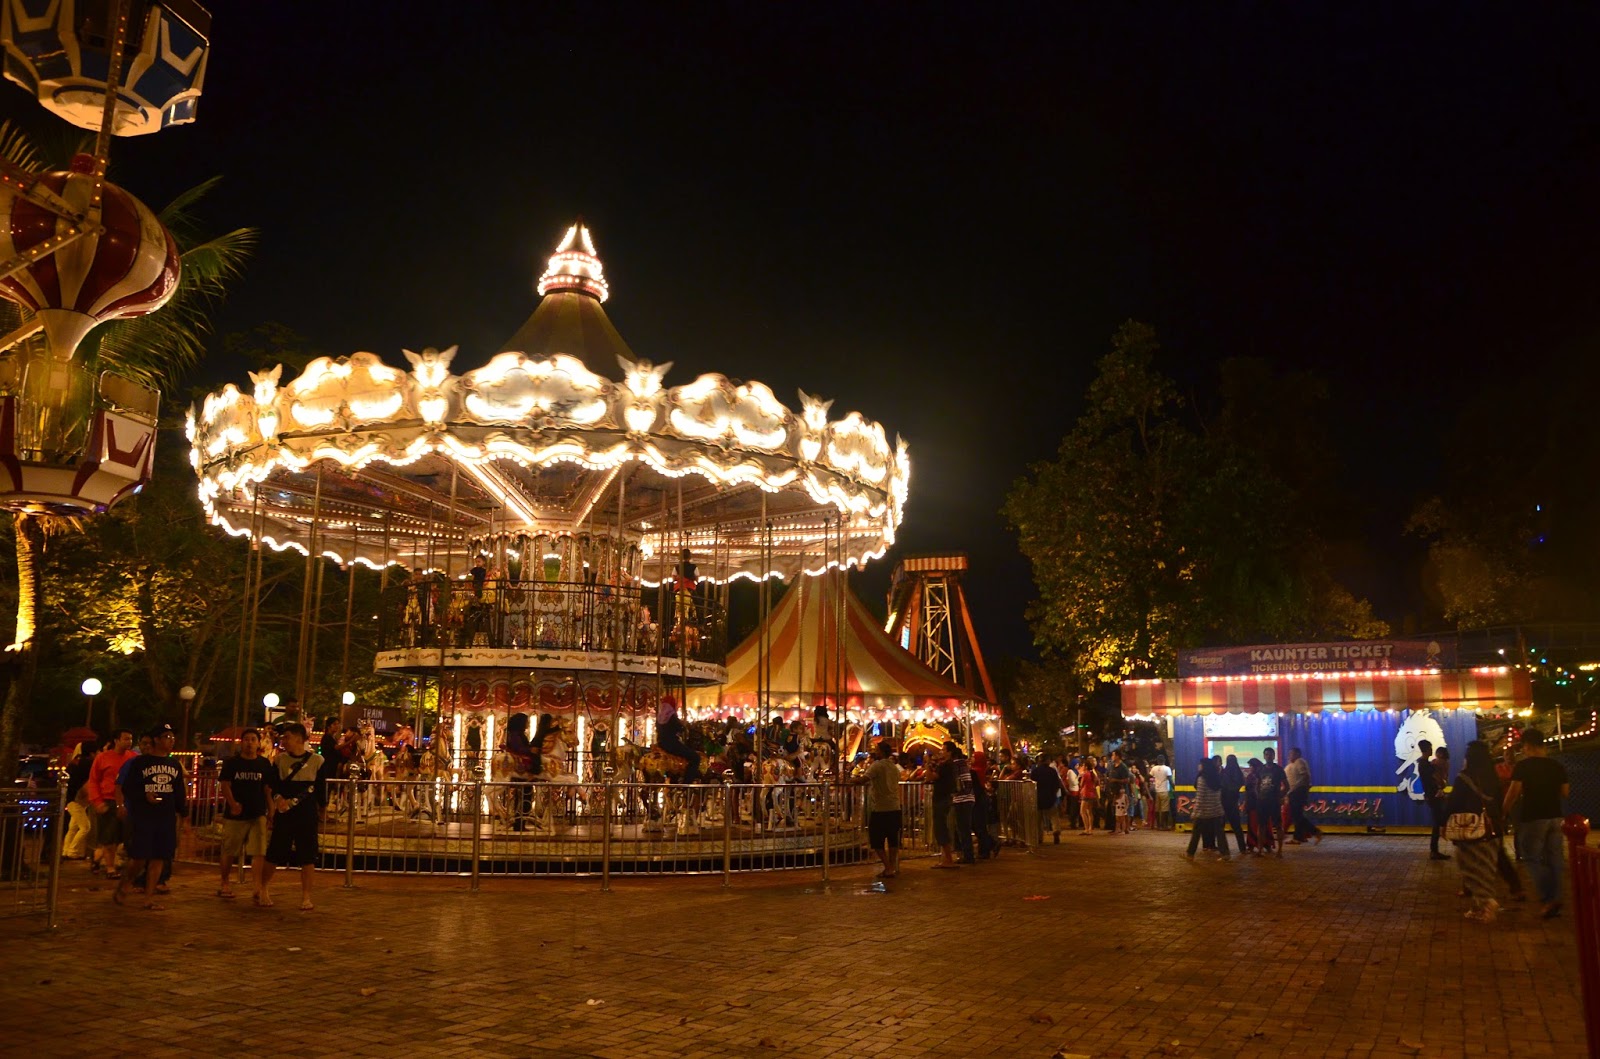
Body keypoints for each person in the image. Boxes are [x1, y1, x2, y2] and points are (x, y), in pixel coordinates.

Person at [114, 724, 187, 911]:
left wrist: (183, 813)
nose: (171, 741)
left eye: (172, 737)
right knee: (139, 857)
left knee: (159, 857)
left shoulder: (174, 764)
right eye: (166, 737)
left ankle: (149, 897)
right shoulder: (140, 762)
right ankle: (126, 883)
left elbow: (179, 790)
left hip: (166, 816)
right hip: (144, 815)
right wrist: (143, 796)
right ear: (156, 739)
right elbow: (128, 788)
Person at [1504, 728, 1570, 919]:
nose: (1523, 751)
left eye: (1523, 747)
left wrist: (1503, 811)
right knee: (1555, 858)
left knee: (1530, 857)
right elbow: (1565, 792)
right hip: (1556, 816)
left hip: (1533, 816)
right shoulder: (1557, 766)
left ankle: (1547, 897)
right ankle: (1556, 896)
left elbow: (1513, 793)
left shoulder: (1523, 767)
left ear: (1529, 746)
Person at [261, 722, 327, 911]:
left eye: (287, 737)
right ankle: (263, 887)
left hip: (306, 814)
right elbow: (273, 784)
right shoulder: (280, 760)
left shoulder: (317, 761)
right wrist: (277, 799)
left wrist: (322, 809)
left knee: (308, 856)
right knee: (274, 852)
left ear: (299, 738)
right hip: (285, 813)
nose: (284, 741)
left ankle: (306, 896)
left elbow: (321, 789)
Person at [1449, 740, 1504, 922]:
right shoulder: (1492, 776)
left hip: (1471, 830)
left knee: (1469, 869)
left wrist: (1443, 821)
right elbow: (1499, 800)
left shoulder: (1464, 778)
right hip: (1492, 828)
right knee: (1486, 869)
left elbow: (1453, 803)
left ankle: (1487, 903)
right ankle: (1477, 906)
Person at [218, 728, 272, 901]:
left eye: (253, 739)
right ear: (242, 743)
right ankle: (225, 881)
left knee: (259, 851)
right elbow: (225, 785)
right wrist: (232, 803)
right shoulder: (232, 763)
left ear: (258, 743)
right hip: (236, 813)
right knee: (230, 850)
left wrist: (271, 810)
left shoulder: (264, 764)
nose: (249, 743)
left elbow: (267, 789)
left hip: (257, 812)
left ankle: (257, 885)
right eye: (246, 739)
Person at [87, 729, 134, 878]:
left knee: (122, 837)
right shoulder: (102, 758)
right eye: (126, 739)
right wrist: (97, 801)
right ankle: (110, 868)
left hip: (127, 801)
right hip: (108, 801)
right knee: (109, 837)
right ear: (116, 740)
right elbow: (93, 781)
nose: (129, 742)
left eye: (131, 739)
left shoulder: (133, 758)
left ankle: (96, 858)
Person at [864, 741, 902, 879]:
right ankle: (891, 866)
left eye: (877, 749)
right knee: (893, 839)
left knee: (876, 840)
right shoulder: (894, 767)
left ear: (881, 752)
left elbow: (864, 778)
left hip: (881, 807)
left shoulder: (877, 766)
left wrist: (853, 780)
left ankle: (888, 866)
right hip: (894, 806)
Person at [1184, 757, 1229, 861]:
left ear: (1204, 766)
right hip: (1216, 810)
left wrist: (1195, 812)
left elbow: (1200, 797)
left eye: (1200, 764)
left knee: (1196, 833)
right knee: (1220, 834)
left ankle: (1190, 854)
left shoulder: (1202, 779)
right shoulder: (1216, 778)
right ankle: (1225, 854)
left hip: (1203, 812)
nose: (1198, 766)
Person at [62, 741, 96, 860]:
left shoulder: (74, 762)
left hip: (71, 798)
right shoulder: (89, 763)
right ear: (92, 753)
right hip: (78, 800)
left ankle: (65, 850)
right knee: (85, 827)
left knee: (73, 827)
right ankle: (72, 851)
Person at [1417, 738, 1448, 860]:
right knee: (1437, 822)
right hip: (1433, 796)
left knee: (1437, 822)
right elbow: (1436, 779)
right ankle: (1434, 851)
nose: (1432, 750)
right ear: (1426, 750)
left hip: (1433, 795)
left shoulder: (1426, 763)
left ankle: (1435, 850)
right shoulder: (1425, 765)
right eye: (1430, 748)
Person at [928, 744, 959, 868]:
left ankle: (948, 858)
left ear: (949, 752)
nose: (941, 752)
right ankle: (947, 857)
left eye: (944, 750)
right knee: (942, 826)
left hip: (941, 798)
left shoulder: (946, 765)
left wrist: (928, 765)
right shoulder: (949, 765)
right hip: (945, 797)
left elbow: (931, 777)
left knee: (940, 827)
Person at [1285, 748, 1323, 845]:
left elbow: (1305, 776)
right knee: (1297, 815)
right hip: (1293, 792)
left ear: (1297, 754)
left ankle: (1315, 831)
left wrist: (1295, 789)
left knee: (1297, 815)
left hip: (1298, 792)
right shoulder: (1291, 765)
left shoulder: (1300, 762)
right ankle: (1298, 837)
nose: (1289, 755)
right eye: (1289, 753)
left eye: (1292, 753)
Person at [1256, 748, 1288, 856]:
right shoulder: (1260, 769)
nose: (1268, 756)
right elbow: (1257, 784)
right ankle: (1260, 850)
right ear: (1264, 756)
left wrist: (1280, 796)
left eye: (1270, 755)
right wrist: (1258, 795)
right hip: (1263, 802)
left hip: (1274, 802)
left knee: (1278, 826)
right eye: (1266, 754)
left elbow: (1286, 785)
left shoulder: (1278, 770)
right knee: (1261, 826)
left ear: (1274, 756)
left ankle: (1280, 850)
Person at [1031, 754, 1064, 844]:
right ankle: (1056, 830)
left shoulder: (1035, 771)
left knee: (1038, 819)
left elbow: (1032, 784)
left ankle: (1039, 837)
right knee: (1053, 816)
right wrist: (1055, 794)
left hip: (1038, 797)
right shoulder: (1052, 771)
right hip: (1050, 796)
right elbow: (1057, 785)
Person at [1220, 754, 1248, 854]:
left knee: (1220, 827)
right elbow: (1241, 783)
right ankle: (1242, 848)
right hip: (1233, 802)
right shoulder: (1238, 773)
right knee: (1237, 827)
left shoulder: (1224, 772)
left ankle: (1222, 849)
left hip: (1223, 802)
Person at [1107, 751, 1132, 835]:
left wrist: (1116, 780)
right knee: (1116, 810)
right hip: (1114, 791)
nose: (1112, 757)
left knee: (1123, 811)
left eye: (1113, 755)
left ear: (1117, 756)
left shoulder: (1123, 767)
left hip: (1122, 791)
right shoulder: (1112, 766)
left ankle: (1126, 828)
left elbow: (1127, 780)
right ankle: (1117, 828)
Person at [1148, 758, 1173, 831]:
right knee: (1165, 809)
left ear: (1157, 761)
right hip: (1165, 790)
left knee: (1157, 809)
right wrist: (1174, 787)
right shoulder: (1167, 768)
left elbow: (1149, 776)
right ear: (1164, 761)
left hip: (1157, 790)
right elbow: (1170, 780)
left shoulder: (1154, 768)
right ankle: (1164, 825)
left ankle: (1158, 825)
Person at [1077, 756, 1098, 835]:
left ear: (1085, 766)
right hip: (1091, 794)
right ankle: (1090, 829)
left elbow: (1081, 784)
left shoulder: (1085, 774)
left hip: (1086, 794)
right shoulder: (1092, 774)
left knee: (1082, 811)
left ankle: (1086, 828)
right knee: (1089, 811)